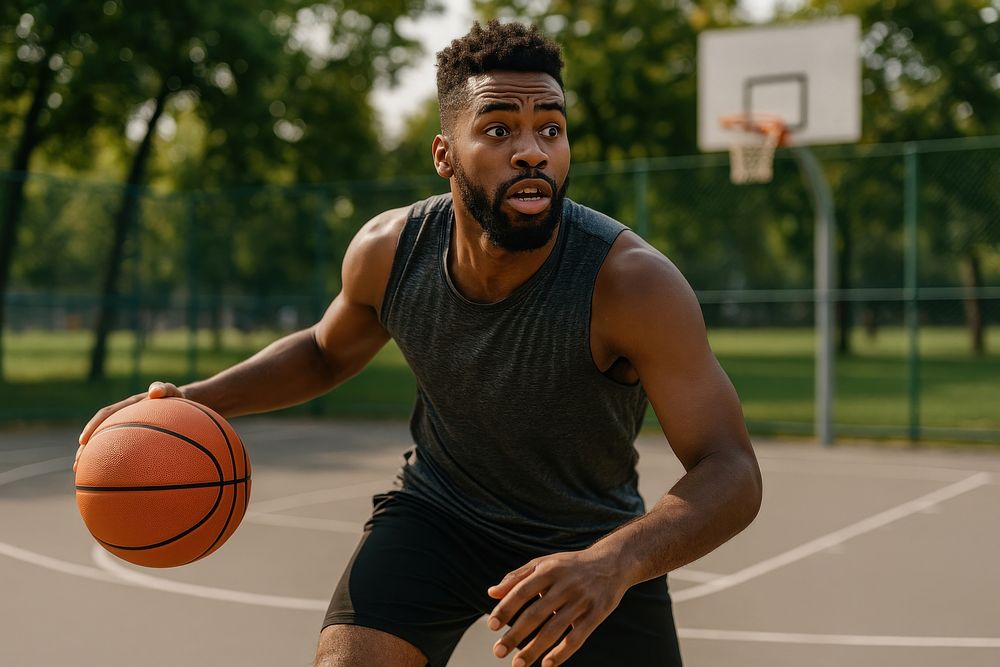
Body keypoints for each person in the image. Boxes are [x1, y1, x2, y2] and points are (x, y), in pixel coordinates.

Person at [77, 20, 761, 667]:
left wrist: (616, 561)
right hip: (439, 514)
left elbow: (729, 467)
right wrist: (192, 401)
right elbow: (323, 351)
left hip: (588, 538)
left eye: (550, 129)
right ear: (444, 154)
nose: (532, 150)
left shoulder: (631, 284)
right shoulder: (390, 250)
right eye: (499, 129)